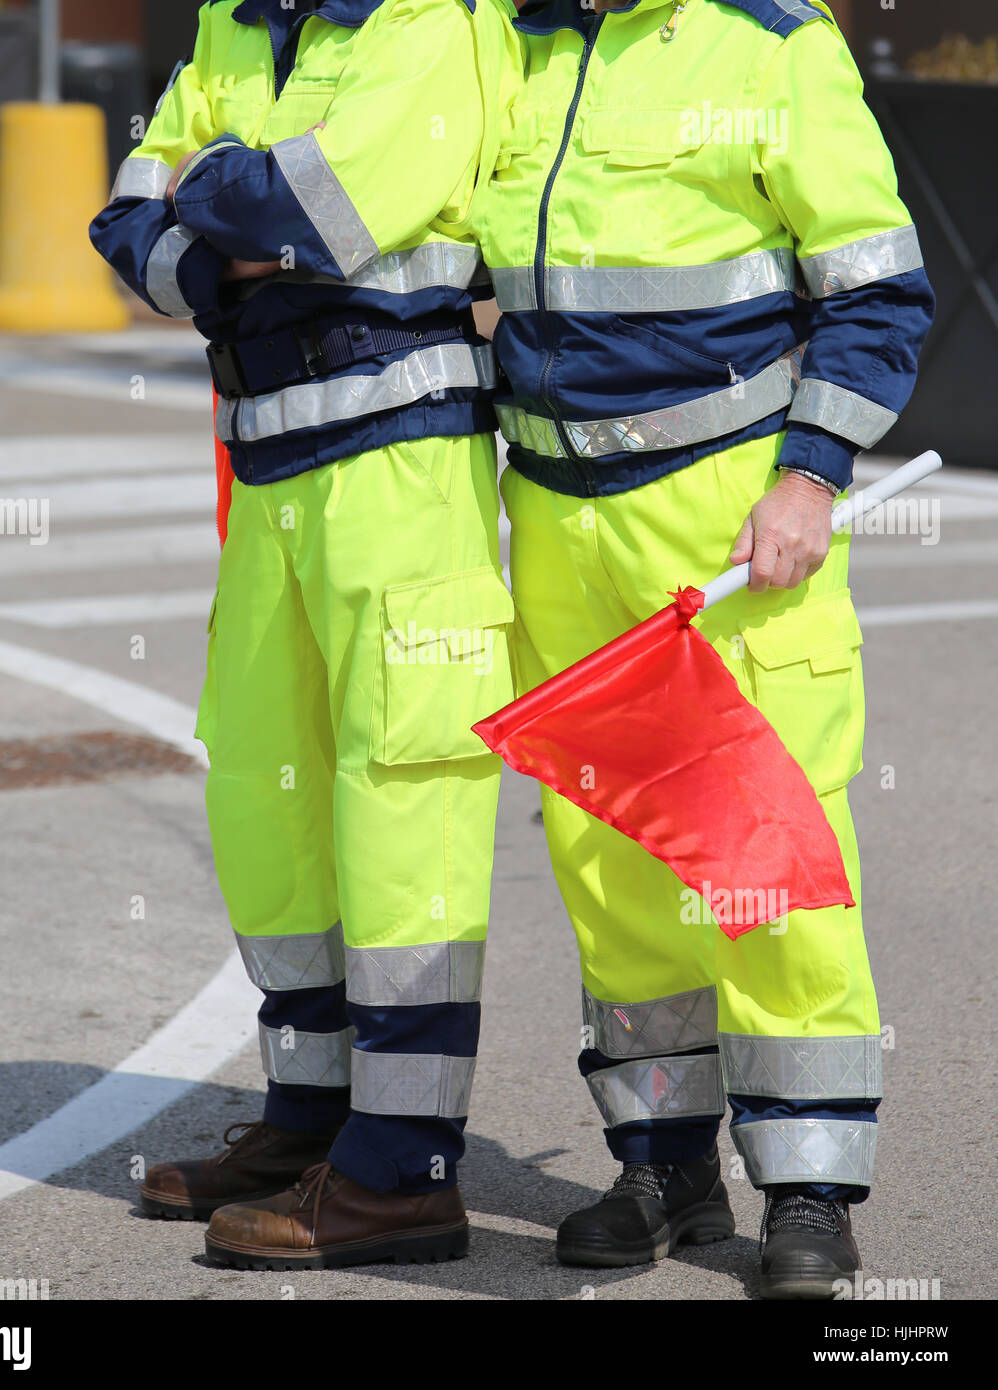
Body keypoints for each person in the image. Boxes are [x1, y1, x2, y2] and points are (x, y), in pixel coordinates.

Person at [476, 0, 934, 1296]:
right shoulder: (519, 44)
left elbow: (878, 285)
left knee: (761, 856)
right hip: (556, 519)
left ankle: (808, 1191)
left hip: (722, 515)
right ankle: (663, 1166)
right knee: (612, 857)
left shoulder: (770, 43)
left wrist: (810, 476)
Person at [90, 0, 523, 1270]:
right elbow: (126, 219)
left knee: (401, 807)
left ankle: (402, 1170)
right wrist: (225, 237)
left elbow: (314, 213)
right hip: (270, 471)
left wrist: (214, 198)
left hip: (401, 468)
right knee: (267, 805)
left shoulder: (427, 22)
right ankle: (309, 1120)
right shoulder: (234, 23)